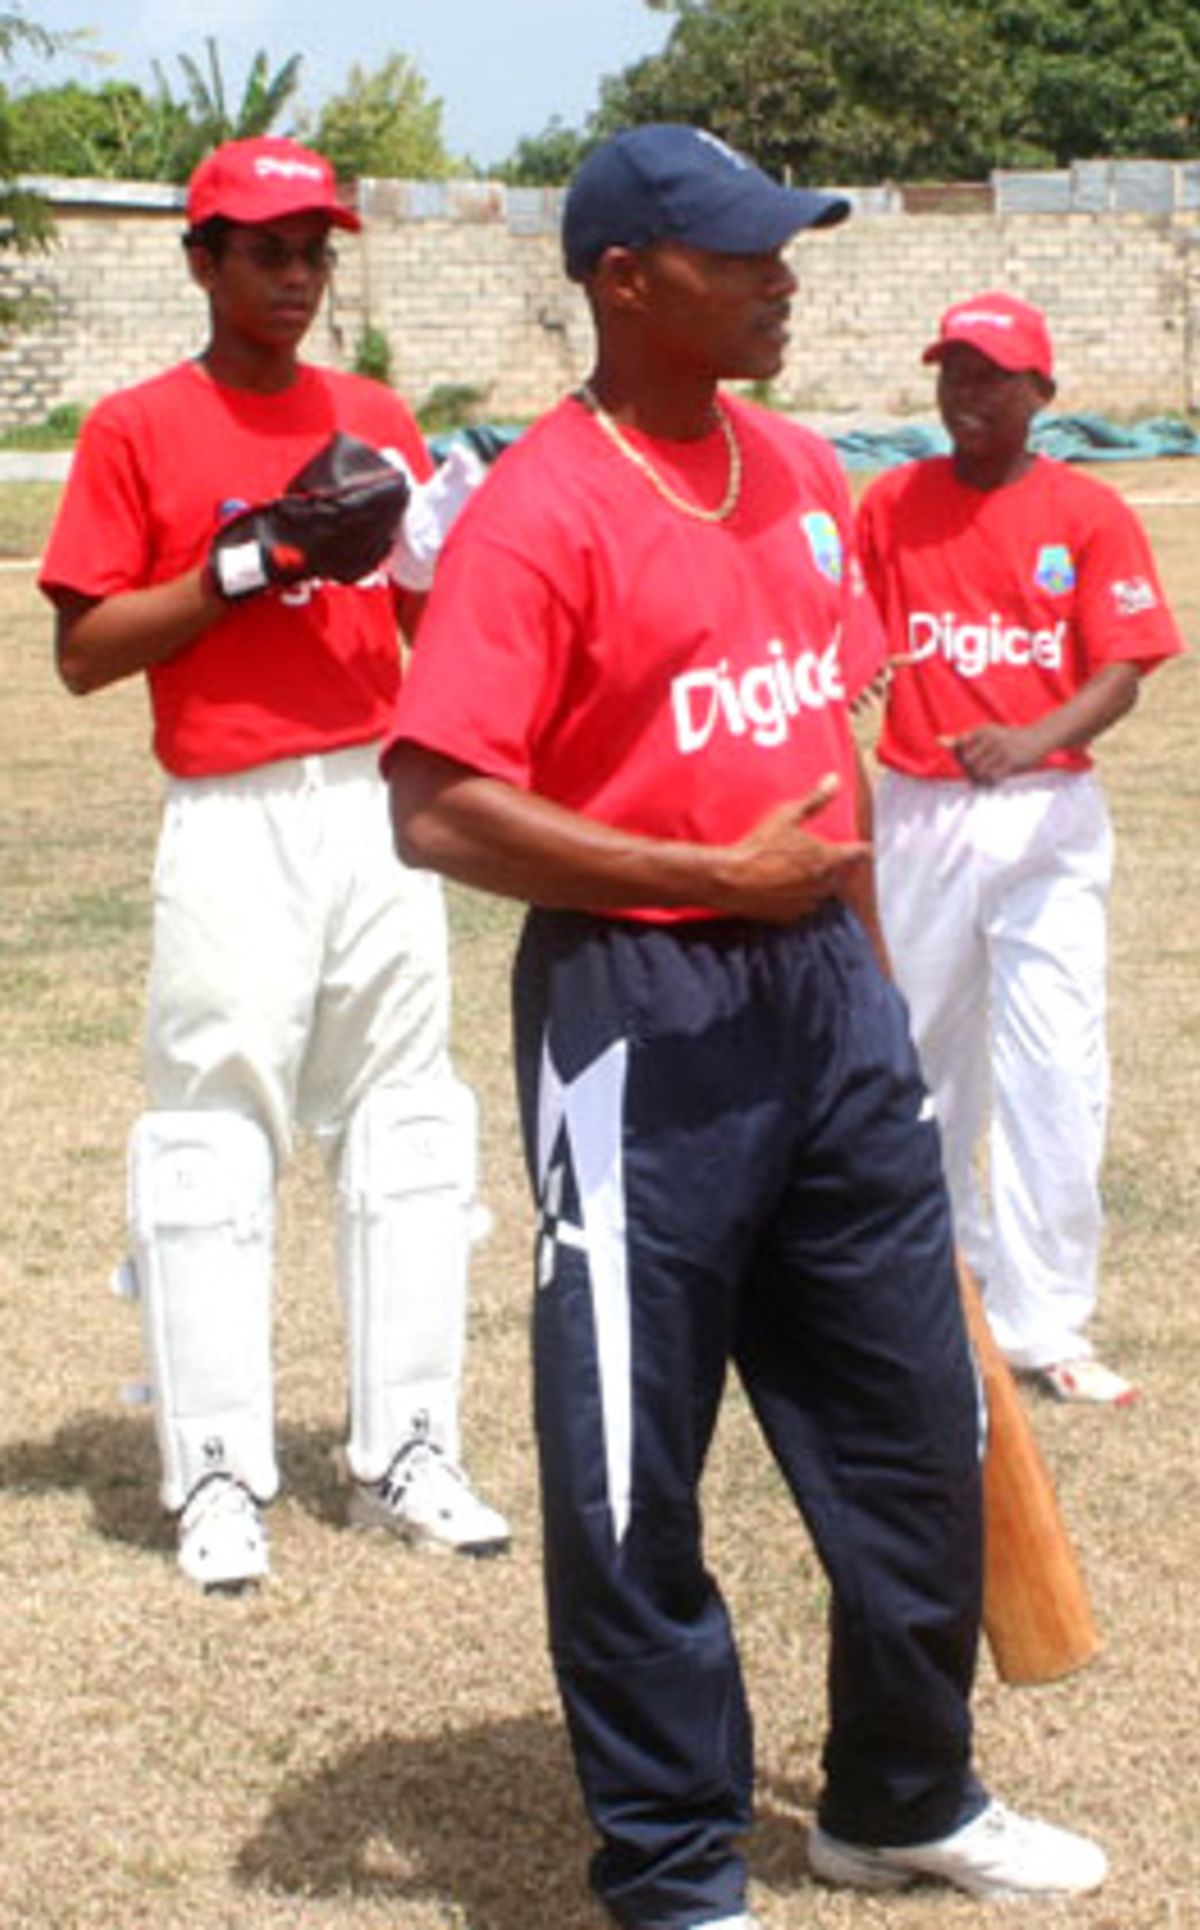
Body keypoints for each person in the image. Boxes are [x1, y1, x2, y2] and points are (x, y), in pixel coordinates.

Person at [383, 126, 1108, 1930]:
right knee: (633, 1462)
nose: (784, 279)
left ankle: (900, 1793)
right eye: (742, 255)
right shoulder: (543, 506)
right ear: (628, 282)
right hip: (639, 1010)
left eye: (785, 247)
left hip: (828, 998)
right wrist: (706, 875)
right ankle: (673, 1864)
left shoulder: (794, 467)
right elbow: (436, 806)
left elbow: (817, 753)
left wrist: (867, 983)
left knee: (916, 1414)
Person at [39, 134, 508, 1592]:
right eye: (264, 252)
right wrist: (252, 561)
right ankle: (218, 1471)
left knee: (410, 1127)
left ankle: (410, 1446)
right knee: (209, 1143)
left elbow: (432, 618)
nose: (295, 277)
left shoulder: (372, 414)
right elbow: (83, 651)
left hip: (373, 801)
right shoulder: (138, 428)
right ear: (202, 261)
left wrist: (447, 548)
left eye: (313, 253)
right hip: (231, 809)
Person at [858, 291, 1184, 1407]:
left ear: (1042, 391)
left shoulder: (1087, 511)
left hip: (1045, 814)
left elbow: (1125, 666)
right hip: (921, 811)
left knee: (1054, 1064)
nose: (967, 393)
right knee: (921, 1060)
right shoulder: (893, 502)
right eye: (953, 370)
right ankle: (939, 1291)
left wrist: (1034, 737)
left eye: (992, 375)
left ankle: (1047, 1322)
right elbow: (850, 625)